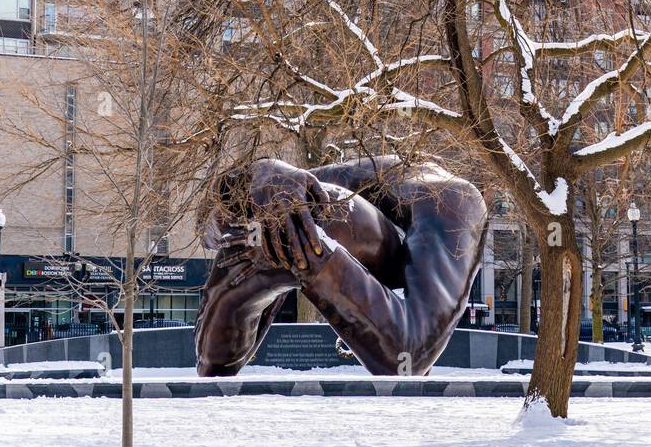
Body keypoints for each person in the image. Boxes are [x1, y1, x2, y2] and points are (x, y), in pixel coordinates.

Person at [195, 156, 488, 378]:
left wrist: (311, 255)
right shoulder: (308, 189)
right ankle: (287, 243)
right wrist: (254, 175)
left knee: (313, 215)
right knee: (289, 214)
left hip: (396, 217)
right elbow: (205, 225)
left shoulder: (452, 202)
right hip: (322, 214)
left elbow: (408, 356)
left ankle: (299, 244)